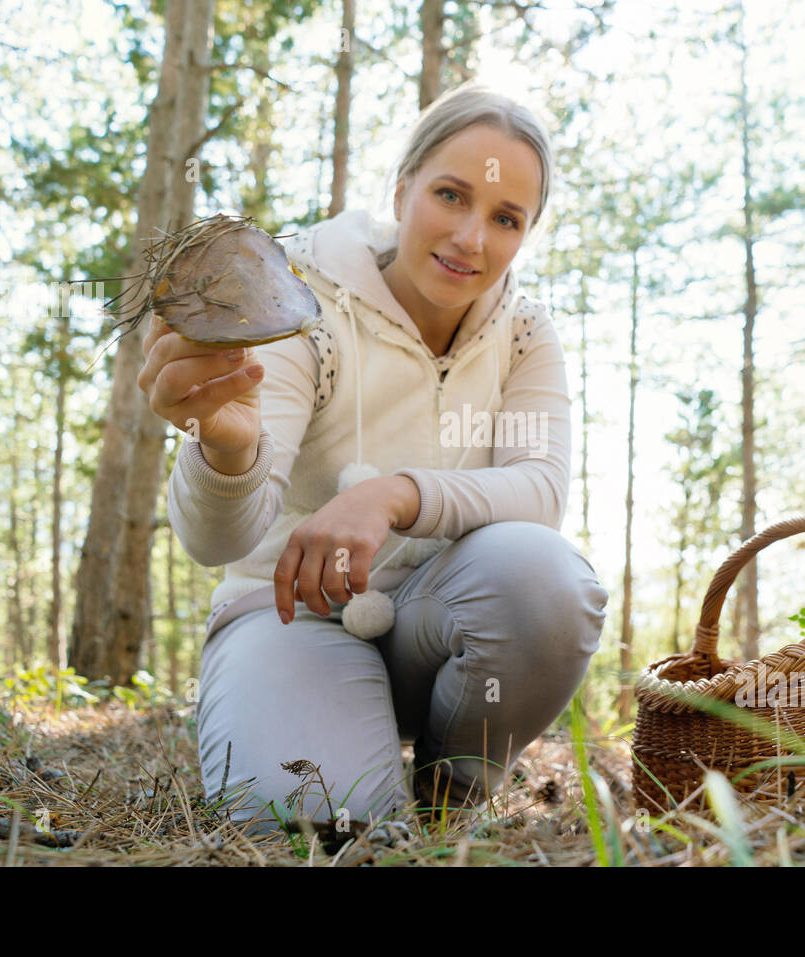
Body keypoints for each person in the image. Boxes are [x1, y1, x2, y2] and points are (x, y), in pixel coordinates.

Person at [137, 81, 609, 834]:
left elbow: (540, 490)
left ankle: (449, 799)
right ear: (401, 190)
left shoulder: (524, 333)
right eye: (451, 195)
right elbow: (215, 539)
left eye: (505, 218)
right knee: (315, 822)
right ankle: (336, 758)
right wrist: (227, 451)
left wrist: (394, 494)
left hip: (438, 624)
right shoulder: (298, 301)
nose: (471, 238)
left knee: (545, 579)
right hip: (291, 616)